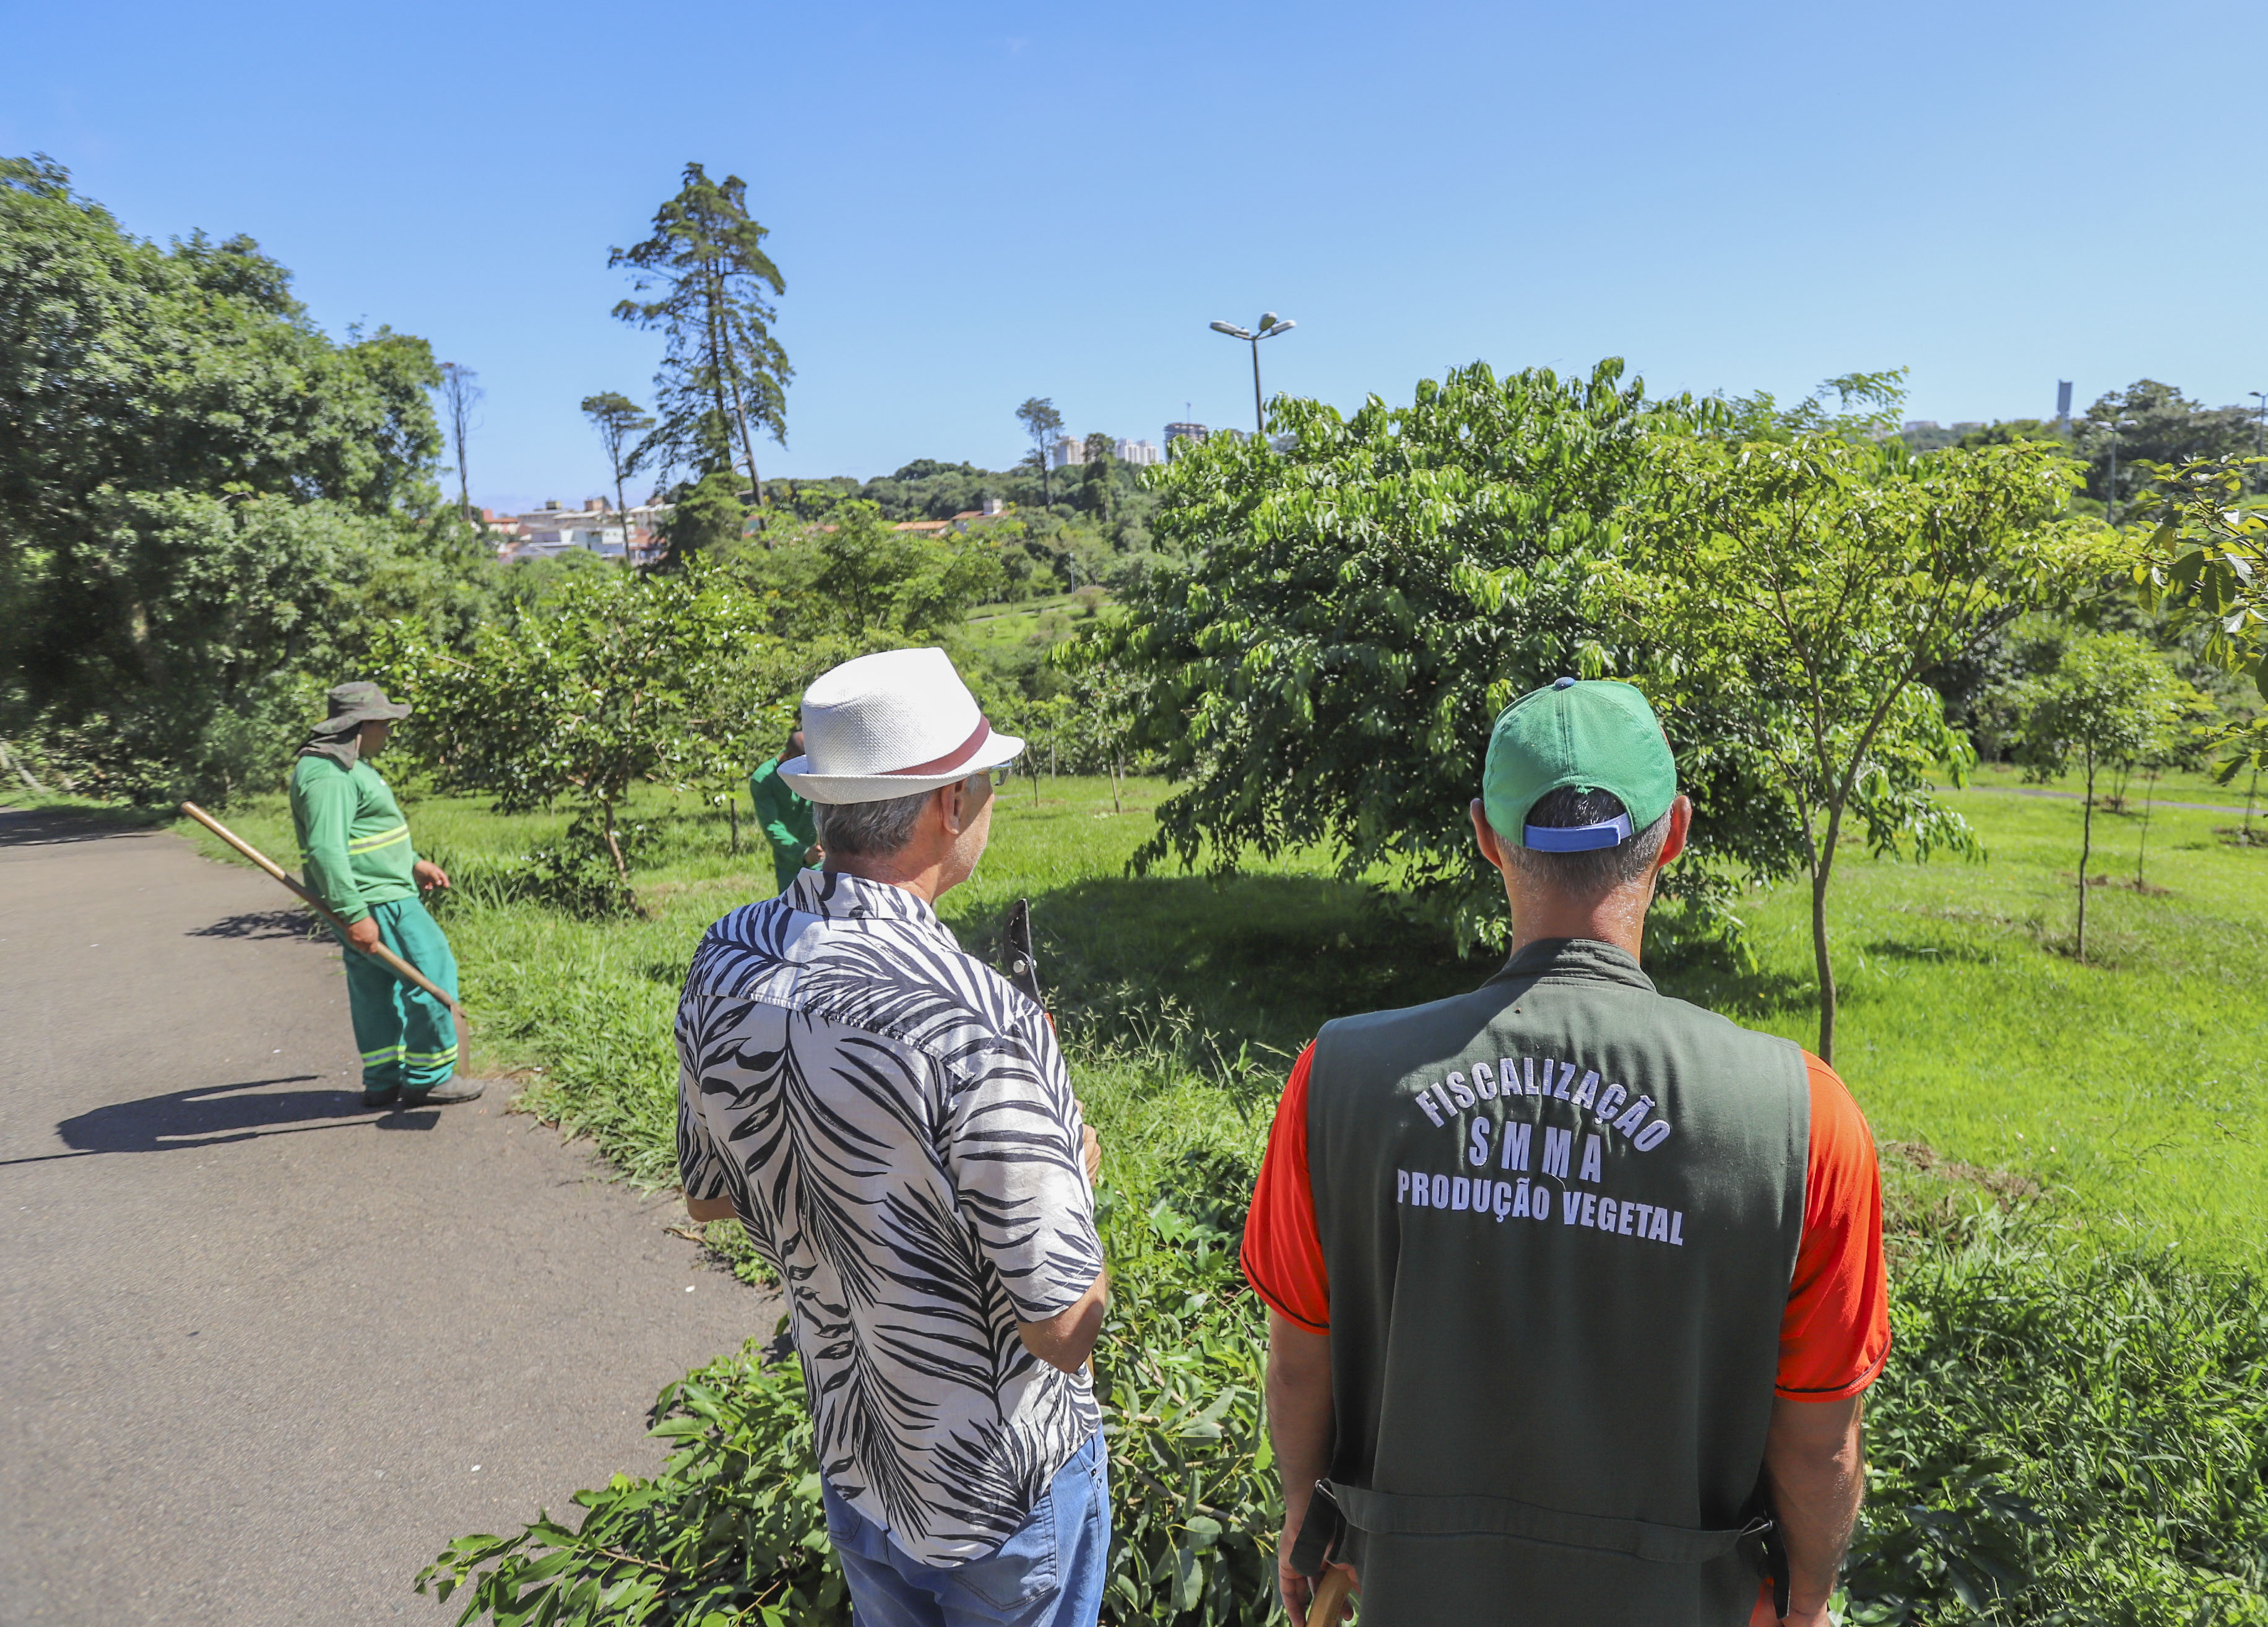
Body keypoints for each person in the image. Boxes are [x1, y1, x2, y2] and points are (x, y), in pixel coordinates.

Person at [1241, 677, 1889, 1627]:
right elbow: (1818, 1443)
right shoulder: (1805, 1119)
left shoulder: (1336, 1080)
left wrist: (1305, 1516)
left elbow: (1302, 1365)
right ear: (1674, 831)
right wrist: (1809, 1598)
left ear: (1485, 837)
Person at [675, 647, 1111, 1627]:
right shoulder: (972, 1019)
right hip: (998, 1494)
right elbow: (1065, 1329)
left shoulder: (727, 957)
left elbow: (707, 1194)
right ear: (949, 804)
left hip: (857, 1455)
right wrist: (1071, 1179)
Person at [290, 681, 485, 1109]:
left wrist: (413, 862)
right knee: (431, 973)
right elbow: (326, 849)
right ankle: (430, 1076)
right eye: (384, 725)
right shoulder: (328, 774)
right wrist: (355, 913)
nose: (389, 734)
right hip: (379, 900)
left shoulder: (349, 766)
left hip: (380, 892)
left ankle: (383, 1079)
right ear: (359, 727)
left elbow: (365, 832)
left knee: (375, 986)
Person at [748, 724, 818, 894]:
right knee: (794, 914)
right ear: (787, 756)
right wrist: (802, 853)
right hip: (791, 862)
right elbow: (772, 826)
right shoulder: (764, 780)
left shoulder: (812, 763)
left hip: (825, 857)